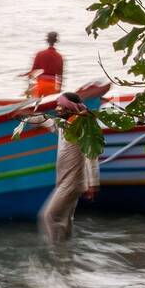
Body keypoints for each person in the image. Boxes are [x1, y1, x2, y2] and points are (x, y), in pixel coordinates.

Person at [38, 92, 100, 243]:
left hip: (73, 182)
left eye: (61, 106)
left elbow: (91, 156)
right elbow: (48, 121)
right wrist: (25, 116)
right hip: (65, 180)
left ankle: (56, 251)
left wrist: (93, 184)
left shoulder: (83, 125)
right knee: (65, 219)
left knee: (48, 216)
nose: (57, 109)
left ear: (70, 107)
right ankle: (66, 254)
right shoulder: (65, 124)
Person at [26, 31, 64, 97]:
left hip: (40, 86)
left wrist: (29, 90)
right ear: (56, 41)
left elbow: (32, 74)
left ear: (47, 40)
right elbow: (60, 77)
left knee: (35, 100)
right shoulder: (59, 57)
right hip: (53, 87)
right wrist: (58, 91)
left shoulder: (40, 54)